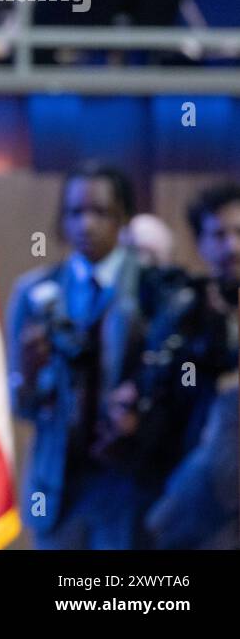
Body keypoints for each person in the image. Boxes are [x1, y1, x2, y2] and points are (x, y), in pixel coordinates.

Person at [7, 162, 191, 548]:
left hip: (133, 483)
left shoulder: (155, 287)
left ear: (123, 217)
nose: (86, 225)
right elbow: (21, 406)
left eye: (100, 212)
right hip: (58, 484)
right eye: (75, 212)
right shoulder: (35, 292)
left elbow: (182, 396)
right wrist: (28, 372)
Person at [145, 183, 240, 549]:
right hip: (197, 503)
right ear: (201, 245)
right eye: (218, 235)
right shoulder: (183, 310)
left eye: (238, 233)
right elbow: (164, 394)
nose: (231, 247)